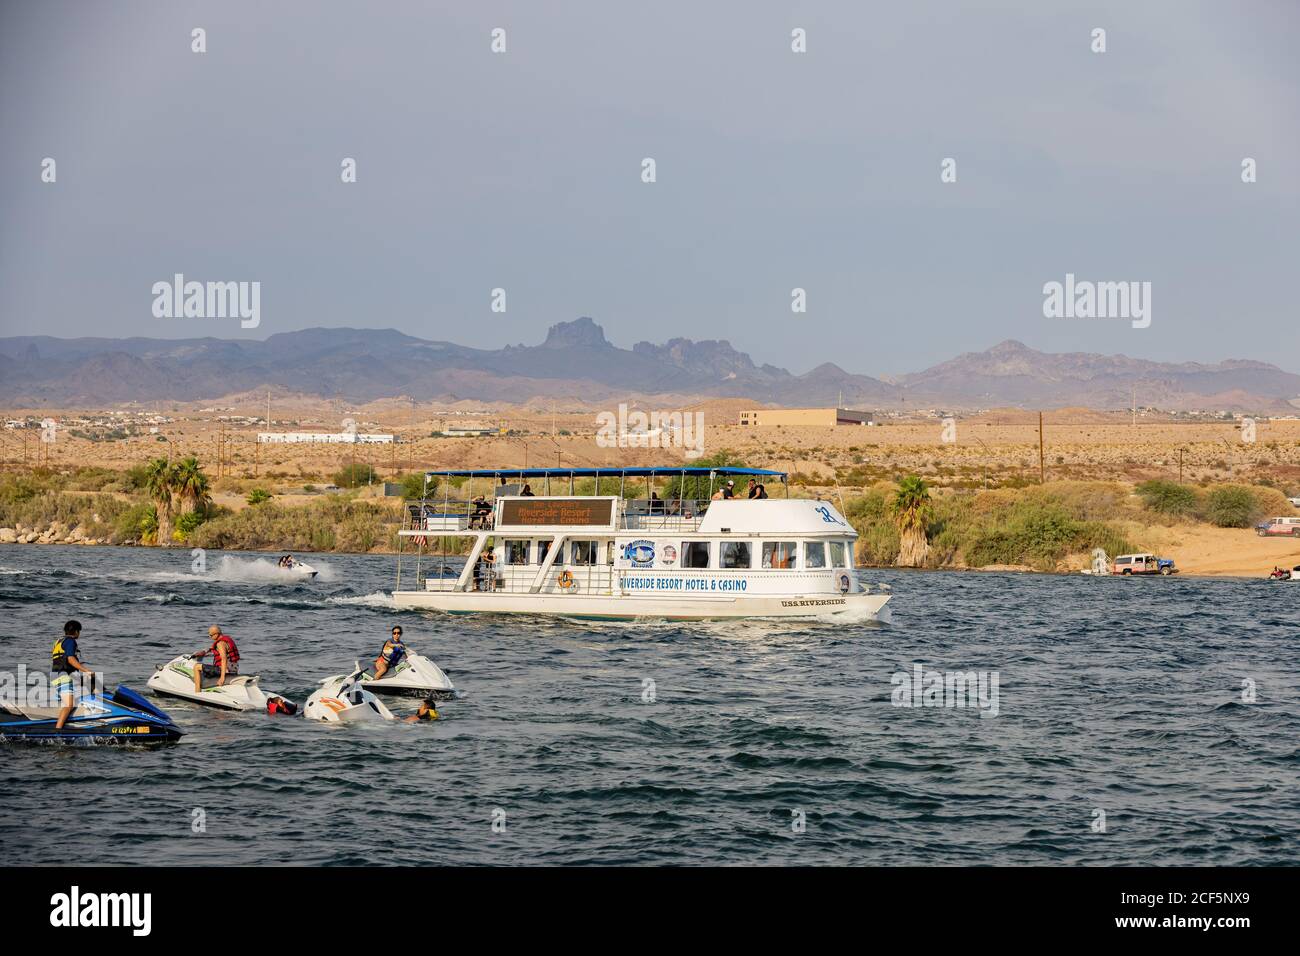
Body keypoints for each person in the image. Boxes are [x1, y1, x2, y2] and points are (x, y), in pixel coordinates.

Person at [52, 620, 93, 730]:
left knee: (68, 702)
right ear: (75, 631)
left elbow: (62, 659)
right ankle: (57, 732)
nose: (79, 633)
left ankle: (64, 723)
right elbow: (70, 659)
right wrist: (86, 671)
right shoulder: (70, 641)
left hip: (56, 675)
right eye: (79, 631)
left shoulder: (59, 641)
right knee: (69, 705)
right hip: (63, 676)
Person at [193, 625, 240, 692]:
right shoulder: (228, 639)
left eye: (211, 635)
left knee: (196, 667)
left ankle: (197, 692)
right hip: (234, 669)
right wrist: (204, 652)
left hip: (224, 669)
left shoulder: (220, 643)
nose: (210, 637)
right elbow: (214, 650)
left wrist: (222, 678)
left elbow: (224, 659)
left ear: (217, 634)